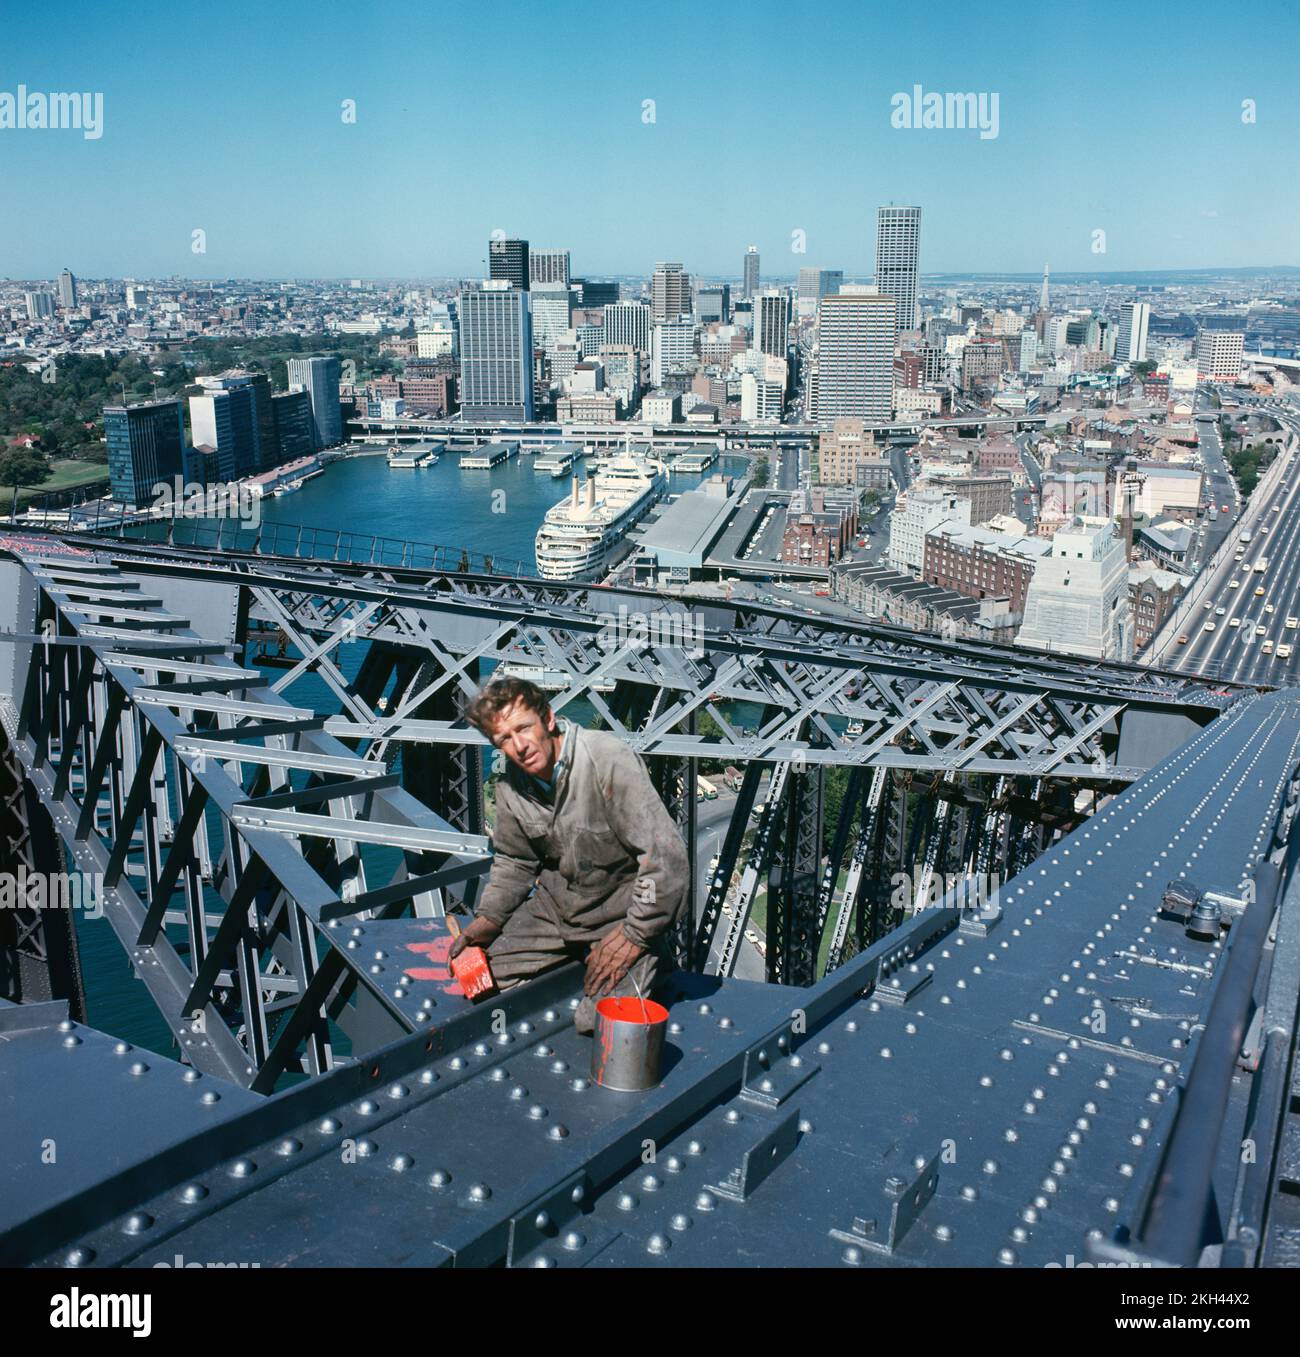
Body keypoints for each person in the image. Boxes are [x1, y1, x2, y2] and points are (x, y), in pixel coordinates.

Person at [450, 677, 689, 1034]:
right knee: (485, 980)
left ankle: (653, 957)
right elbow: (515, 861)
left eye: (523, 728)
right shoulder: (510, 786)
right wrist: (489, 919)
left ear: (548, 719)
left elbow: (664, 859)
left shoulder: (605, 759)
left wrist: (635, 936)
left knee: (595, 1022)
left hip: (621, 913)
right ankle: (589, 955)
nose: (520, 746)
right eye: (504, 739)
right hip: (558, 910)